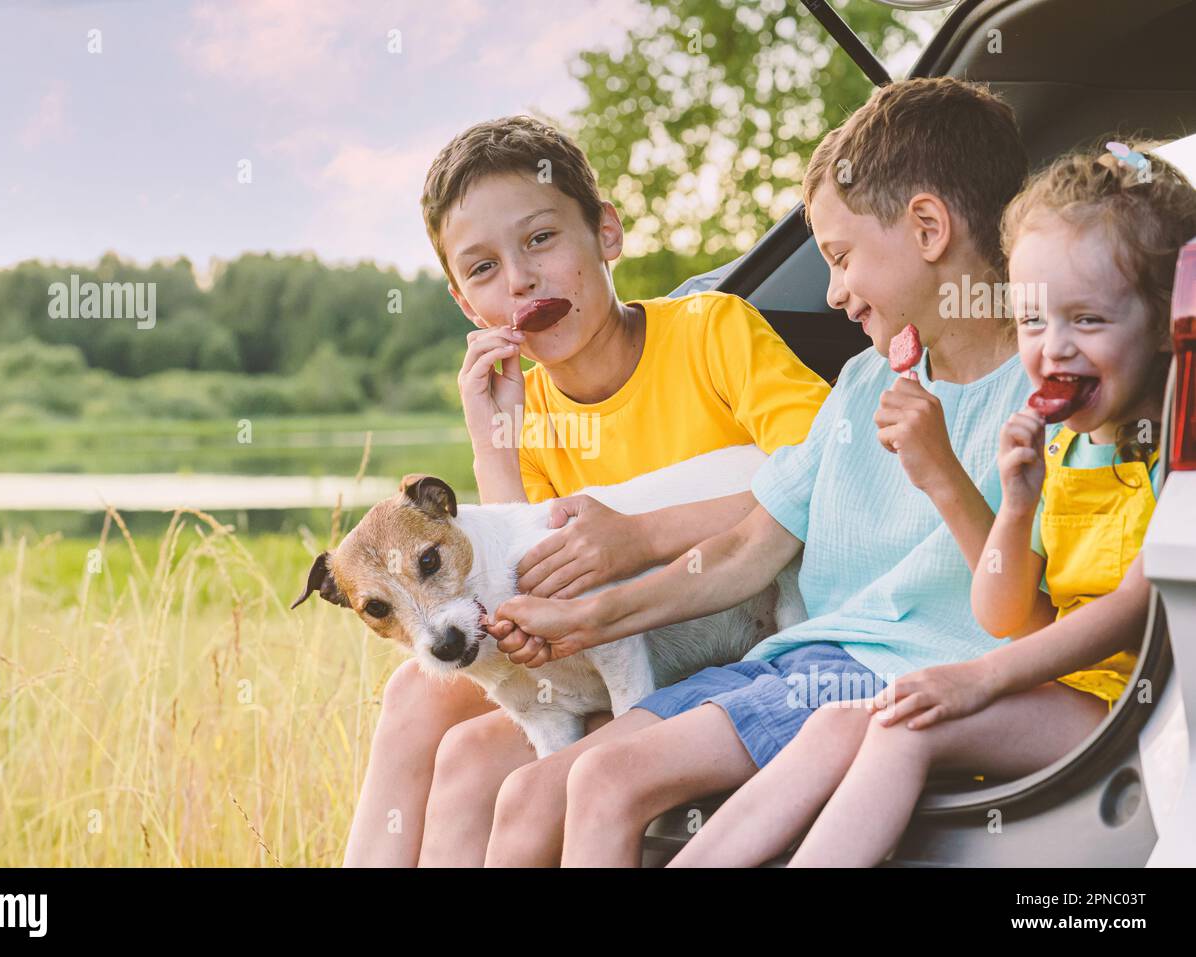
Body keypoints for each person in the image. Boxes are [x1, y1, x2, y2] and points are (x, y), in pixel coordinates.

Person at [484, 77, 1033, 866]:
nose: (836, 293)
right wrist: (587, 621)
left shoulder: (1036, 396)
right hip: (797, 660)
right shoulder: (863, 386)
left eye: (842, 259)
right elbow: (744, 552)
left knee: (607, 778)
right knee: (538, 789)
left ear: (928, 228)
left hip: (889, 676)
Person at [670, 142, 1195, 868]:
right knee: (838, 723)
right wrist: (1015, 505)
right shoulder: (1065, 447)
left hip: (1134, 705)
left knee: (906, 724)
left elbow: (1135, 607)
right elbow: (1005, 613)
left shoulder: (1168, 447)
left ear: (1169, 316)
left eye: (1090, 320)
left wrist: (974, 677)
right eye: (1035, 322)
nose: (1054, 350)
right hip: (1058, 691)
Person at [343, 115, 830, 866]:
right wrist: (493, 438)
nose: (519, 280)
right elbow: (512, 603)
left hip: (725, 630)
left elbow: (834, 476)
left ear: (607, 234)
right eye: (482, 270)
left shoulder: (711, 331)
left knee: (477, 762)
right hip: (597, 654)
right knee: (416, 695)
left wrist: (642, 536)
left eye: (540, 239)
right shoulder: (524, 412)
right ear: (466, 305)